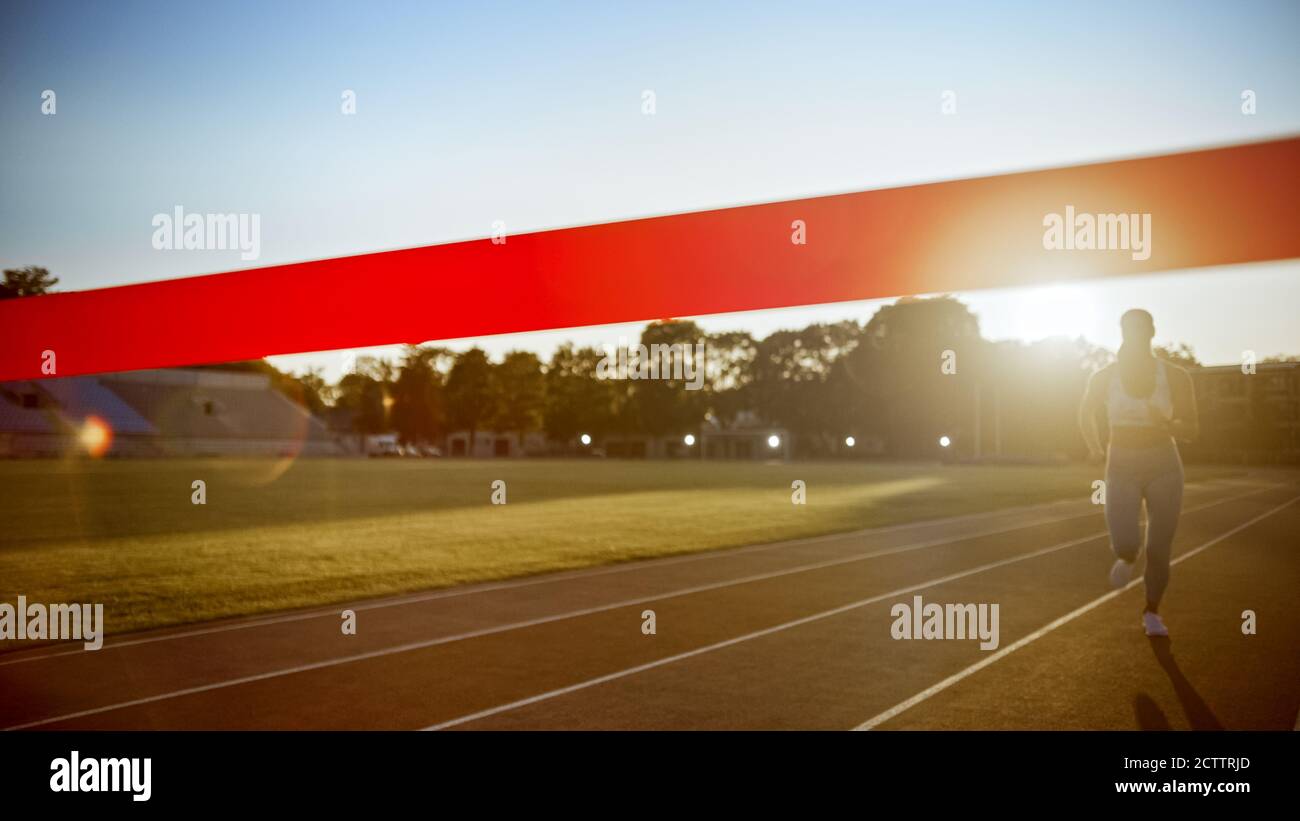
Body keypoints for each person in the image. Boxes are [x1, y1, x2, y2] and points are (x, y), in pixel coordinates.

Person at [1078, 309, 1199, 637]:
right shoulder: (1104, 376)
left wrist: (1171, 423)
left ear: (1152, 332)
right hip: (1121, 462)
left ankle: (1152, 611)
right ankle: (1126, 557)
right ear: (1121, 332)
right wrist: (1094, 446)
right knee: (1126, 541)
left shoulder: (1175, 376)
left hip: (1164, 463)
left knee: (1159, 547)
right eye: (1128, 329)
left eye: (1141, 329)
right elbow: (1085, 412)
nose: (1135, 335)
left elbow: (1193, 429)